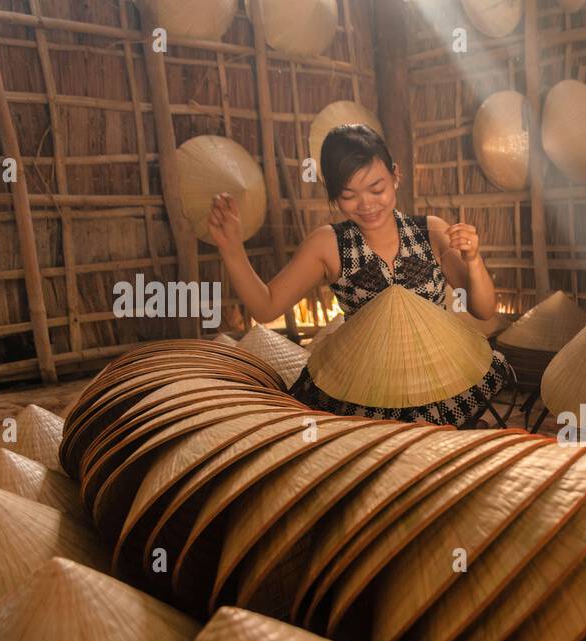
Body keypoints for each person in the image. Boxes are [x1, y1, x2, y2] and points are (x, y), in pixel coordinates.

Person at [207, 123, 511, 426]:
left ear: (395, 176)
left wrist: (472, 259)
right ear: (333, 193)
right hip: (367, 386)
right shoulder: (328, 244)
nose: (366, 204)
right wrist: (231, 249)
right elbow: (266, 306)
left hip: (439, 379)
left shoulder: (430, 232)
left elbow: (483, 310)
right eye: (349, 194)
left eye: (376, 189)